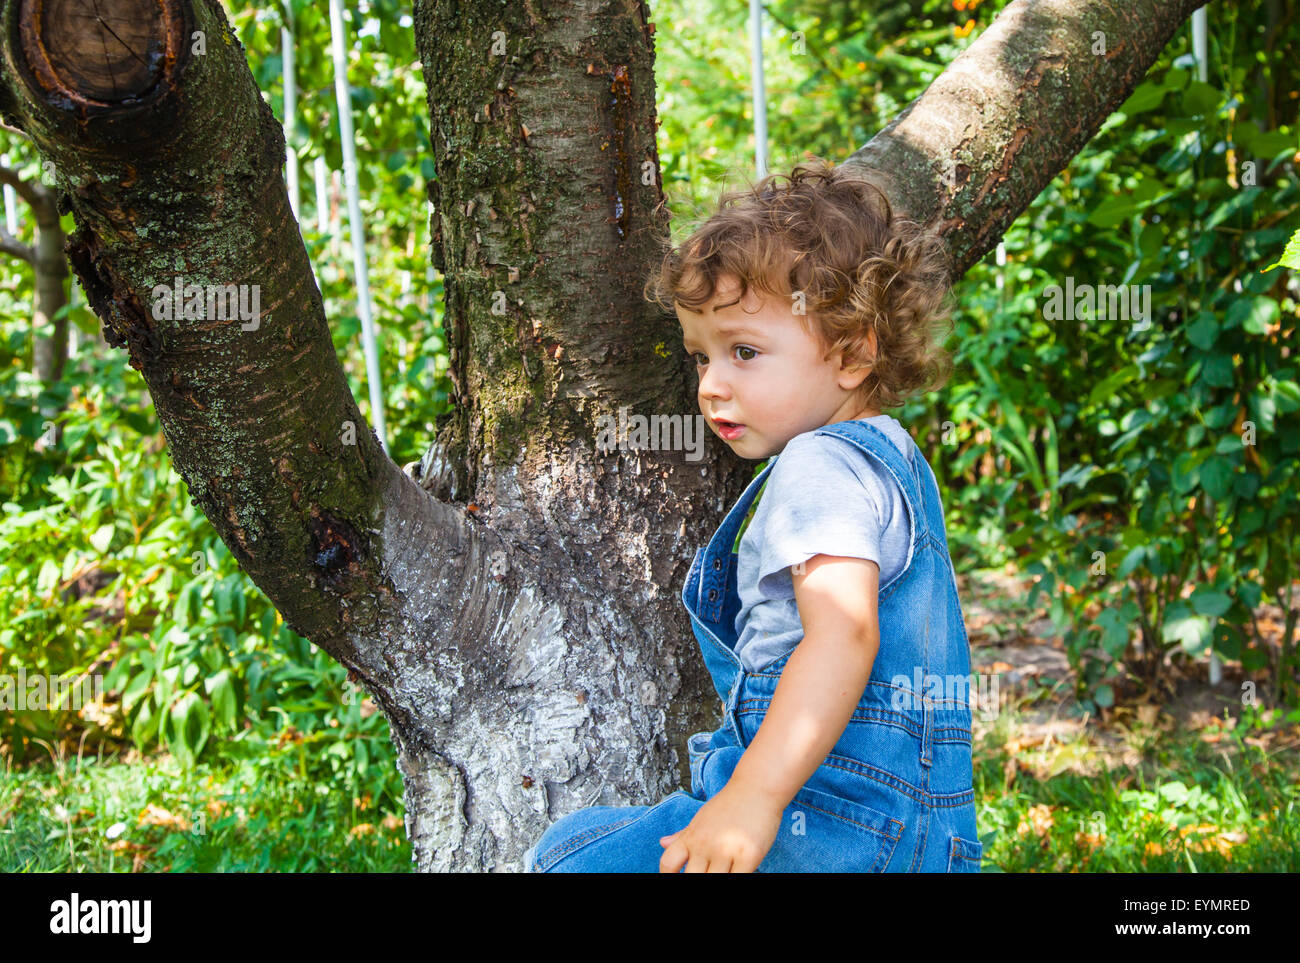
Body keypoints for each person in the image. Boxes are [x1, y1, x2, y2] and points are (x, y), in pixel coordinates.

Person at [524, 157, 981, 872]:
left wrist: (754, 797)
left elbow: (844, 634)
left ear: (854, 354)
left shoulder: (817, 467)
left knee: (572, 857)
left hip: (826, 818)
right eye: (701, 358)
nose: (711, 387)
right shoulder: (893, 462)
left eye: (744, 351)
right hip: (922, 830)